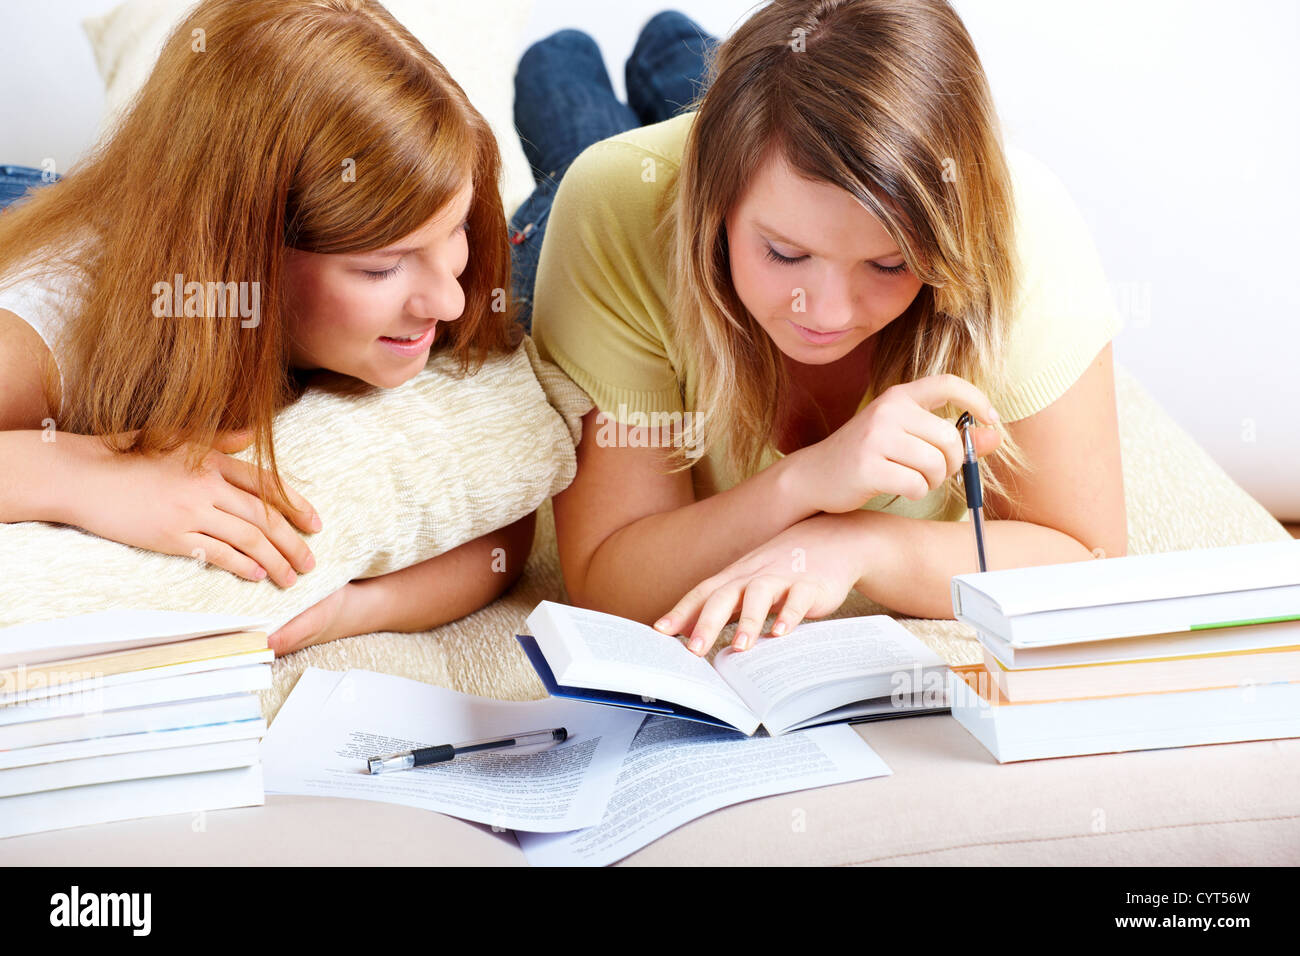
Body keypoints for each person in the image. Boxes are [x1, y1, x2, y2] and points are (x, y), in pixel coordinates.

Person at [523, 0, 1128, 656]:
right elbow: (611, 583)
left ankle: (676, 49)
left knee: (705, 89)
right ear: (713, 210)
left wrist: (858, 540)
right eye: (784, 253)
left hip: (729, 145)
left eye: (889, 263)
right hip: (611, 204)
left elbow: (1089, 560)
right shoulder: (618, 204)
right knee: (568, 116)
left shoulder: (1025, 231)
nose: (831, 314)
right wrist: (806, 481)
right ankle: (623, 56)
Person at [0, 0, 536, 656]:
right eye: (381, 268)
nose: (449, 302)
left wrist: (354, 607)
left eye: (454, 228)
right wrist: (83, 473)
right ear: (243, 259)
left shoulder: (435, 277)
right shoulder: (45, 330)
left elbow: (503, 531)